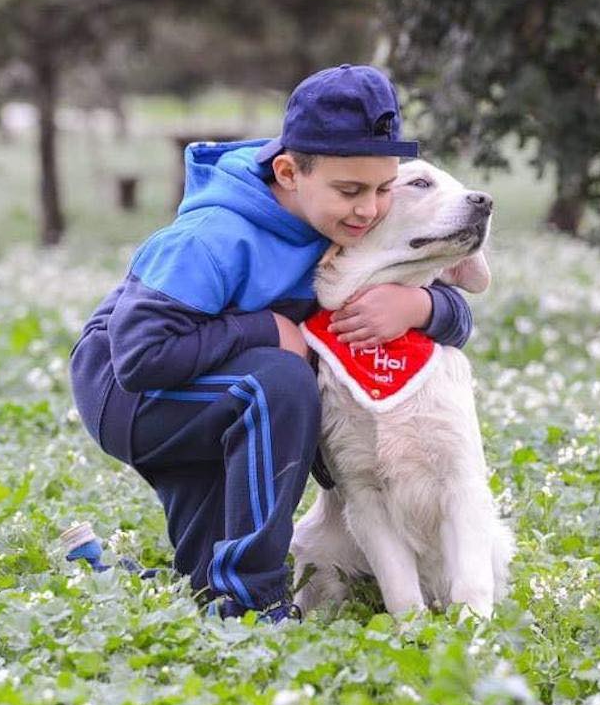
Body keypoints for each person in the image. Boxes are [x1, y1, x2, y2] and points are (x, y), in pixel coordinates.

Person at [67, 64, 475, 622]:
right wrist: (263, 329)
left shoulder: (337, 221)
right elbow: (140, 354)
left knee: (203, 571)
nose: (369, 209)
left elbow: (439, 295)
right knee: (279, 383)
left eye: (384, 189)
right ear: (288, 171)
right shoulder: (212, 235)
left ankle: (129, 579)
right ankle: (255, 602)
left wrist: (423, 307)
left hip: (219, 381)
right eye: (350, 191)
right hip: (130, 391)